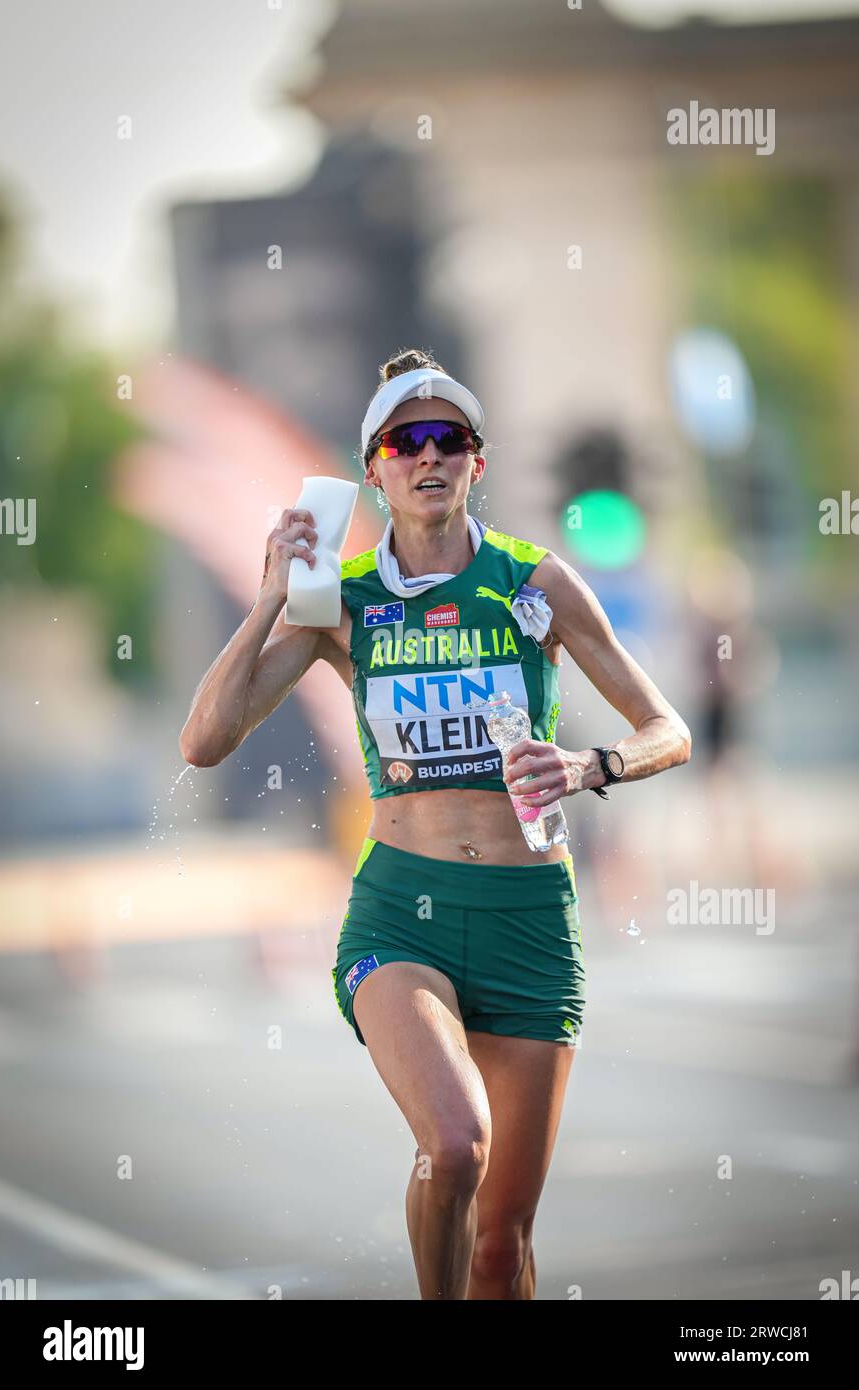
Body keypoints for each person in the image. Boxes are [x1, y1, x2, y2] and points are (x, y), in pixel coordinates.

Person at [179, 347, 692, 1300]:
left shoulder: (537, 583)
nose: (428, 456)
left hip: (529, 915)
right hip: (399, 915)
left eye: (448, 439)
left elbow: (669, 726)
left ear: (476, 463)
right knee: (455, 1147)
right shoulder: (343, 604)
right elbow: (205, 743)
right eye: (404, 441)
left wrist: (591, 765)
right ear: (373, 467)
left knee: (503, 1244)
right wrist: (264, 604)